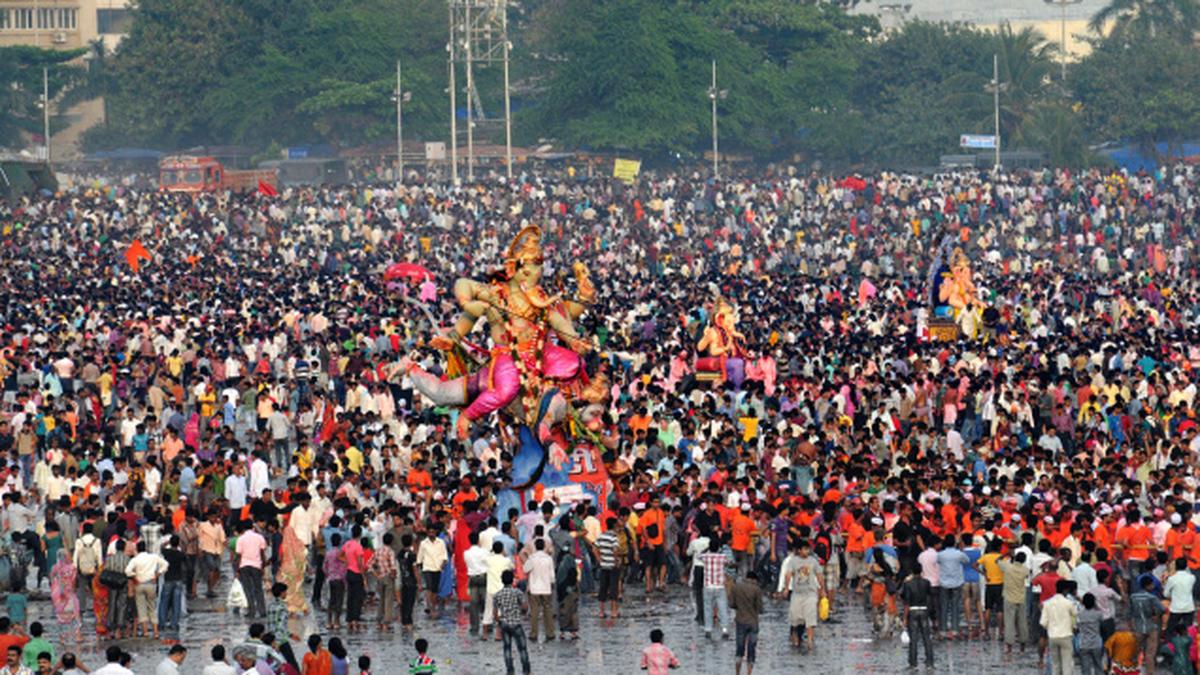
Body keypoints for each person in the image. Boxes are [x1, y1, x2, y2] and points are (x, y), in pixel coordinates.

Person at [780, 539, 823, 653]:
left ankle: (809, 640)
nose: (806, 551)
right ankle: (795, 635)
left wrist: (822, 590)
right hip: (797, 594)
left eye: (808, 549)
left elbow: (819, 575)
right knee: (795, 618)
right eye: (804, 549)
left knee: (810, 617)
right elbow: (788, 574)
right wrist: (785, 588)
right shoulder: (793, 561)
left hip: (810, 593)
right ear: (799, 550)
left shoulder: (813, 561)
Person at [124, 540, 168, 639]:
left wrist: (134, 577)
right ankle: (156, 632)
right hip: (151, 584)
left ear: (137, 549)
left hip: (139, 584)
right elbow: (165, 565)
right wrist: (157, 575)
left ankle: (145, 632)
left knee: (141, 609)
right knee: (152, 608)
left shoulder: (135, 559)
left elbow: (127, 571)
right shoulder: (153, 557)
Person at [493, 570, 531, 675]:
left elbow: (495, 613)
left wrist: (499, 622)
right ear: (512, 580)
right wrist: (522, 611)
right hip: (516, 623)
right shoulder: (517, 592)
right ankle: (526, 670)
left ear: (502, 581)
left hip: (504, 623)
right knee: (522, 648)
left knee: (507, 648)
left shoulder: (497, 595)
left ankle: (510, 671)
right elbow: (525, 607)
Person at [1040, 579, 1078, 675]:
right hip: (1066, 636)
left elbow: (1043, 622)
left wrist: (1051, 627)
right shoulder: (1068, 603)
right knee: (1067, 664)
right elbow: (1076, 614)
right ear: (1065, 590)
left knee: (1055, 665)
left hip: (1053, 637)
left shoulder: (1047, 603)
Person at [729, 570, 763, 675]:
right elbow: (760, 608)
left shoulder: (736, 587)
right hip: (753, 622)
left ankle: (737, 672)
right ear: (754, 579)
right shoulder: (757, 589)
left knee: (739, 648)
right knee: (751, 649)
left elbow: (731, 604)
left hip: (740, 620)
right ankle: (749, 673)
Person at [899, 569, 935, 668]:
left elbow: (905, 600)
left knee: (913, 639)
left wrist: (905, 618)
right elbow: (931, 596)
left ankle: (913, 662)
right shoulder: (926, 583)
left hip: (912, 611)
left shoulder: (908, 584)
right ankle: (929, 662)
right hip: (924, 610)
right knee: (926, 638)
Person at [522, 538, 555, 642]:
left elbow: (525, 569)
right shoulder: (549, 559)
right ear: (544, 546)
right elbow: (552, 575)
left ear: (535, 546)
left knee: (534, 612)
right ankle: (550, 633)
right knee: (547, 611)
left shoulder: (532, 558)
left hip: (534, 588)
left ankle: (533, 633)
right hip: (546, 588)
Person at [235, 521, 269, 620]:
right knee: (258, 589)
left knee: (247, 589)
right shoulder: (259, 537)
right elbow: (262, 552)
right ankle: (262, 611)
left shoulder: (240, 539)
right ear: (252, 527)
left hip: (244, 566)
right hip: (256, 565)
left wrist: (237, 569)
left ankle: (251, 611)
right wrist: (263, 566)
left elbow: (238, 555)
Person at [699, 538, 731, 639]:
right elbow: (729, 563)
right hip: (719, 586)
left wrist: (707, 549)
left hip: (708, 586)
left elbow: (699, 555)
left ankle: (708, 629)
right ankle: (724, 629)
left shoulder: (705, 557)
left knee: (708, 608)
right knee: (723, 608)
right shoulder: (722, 557)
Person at [1077, 593, 1105, 675]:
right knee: (1098, 666)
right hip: (1096, 643)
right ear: (1094, 602)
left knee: (1085, 668)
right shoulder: (1098, 614)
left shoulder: (1080, 614)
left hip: (1084, 644)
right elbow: (1102, 624)